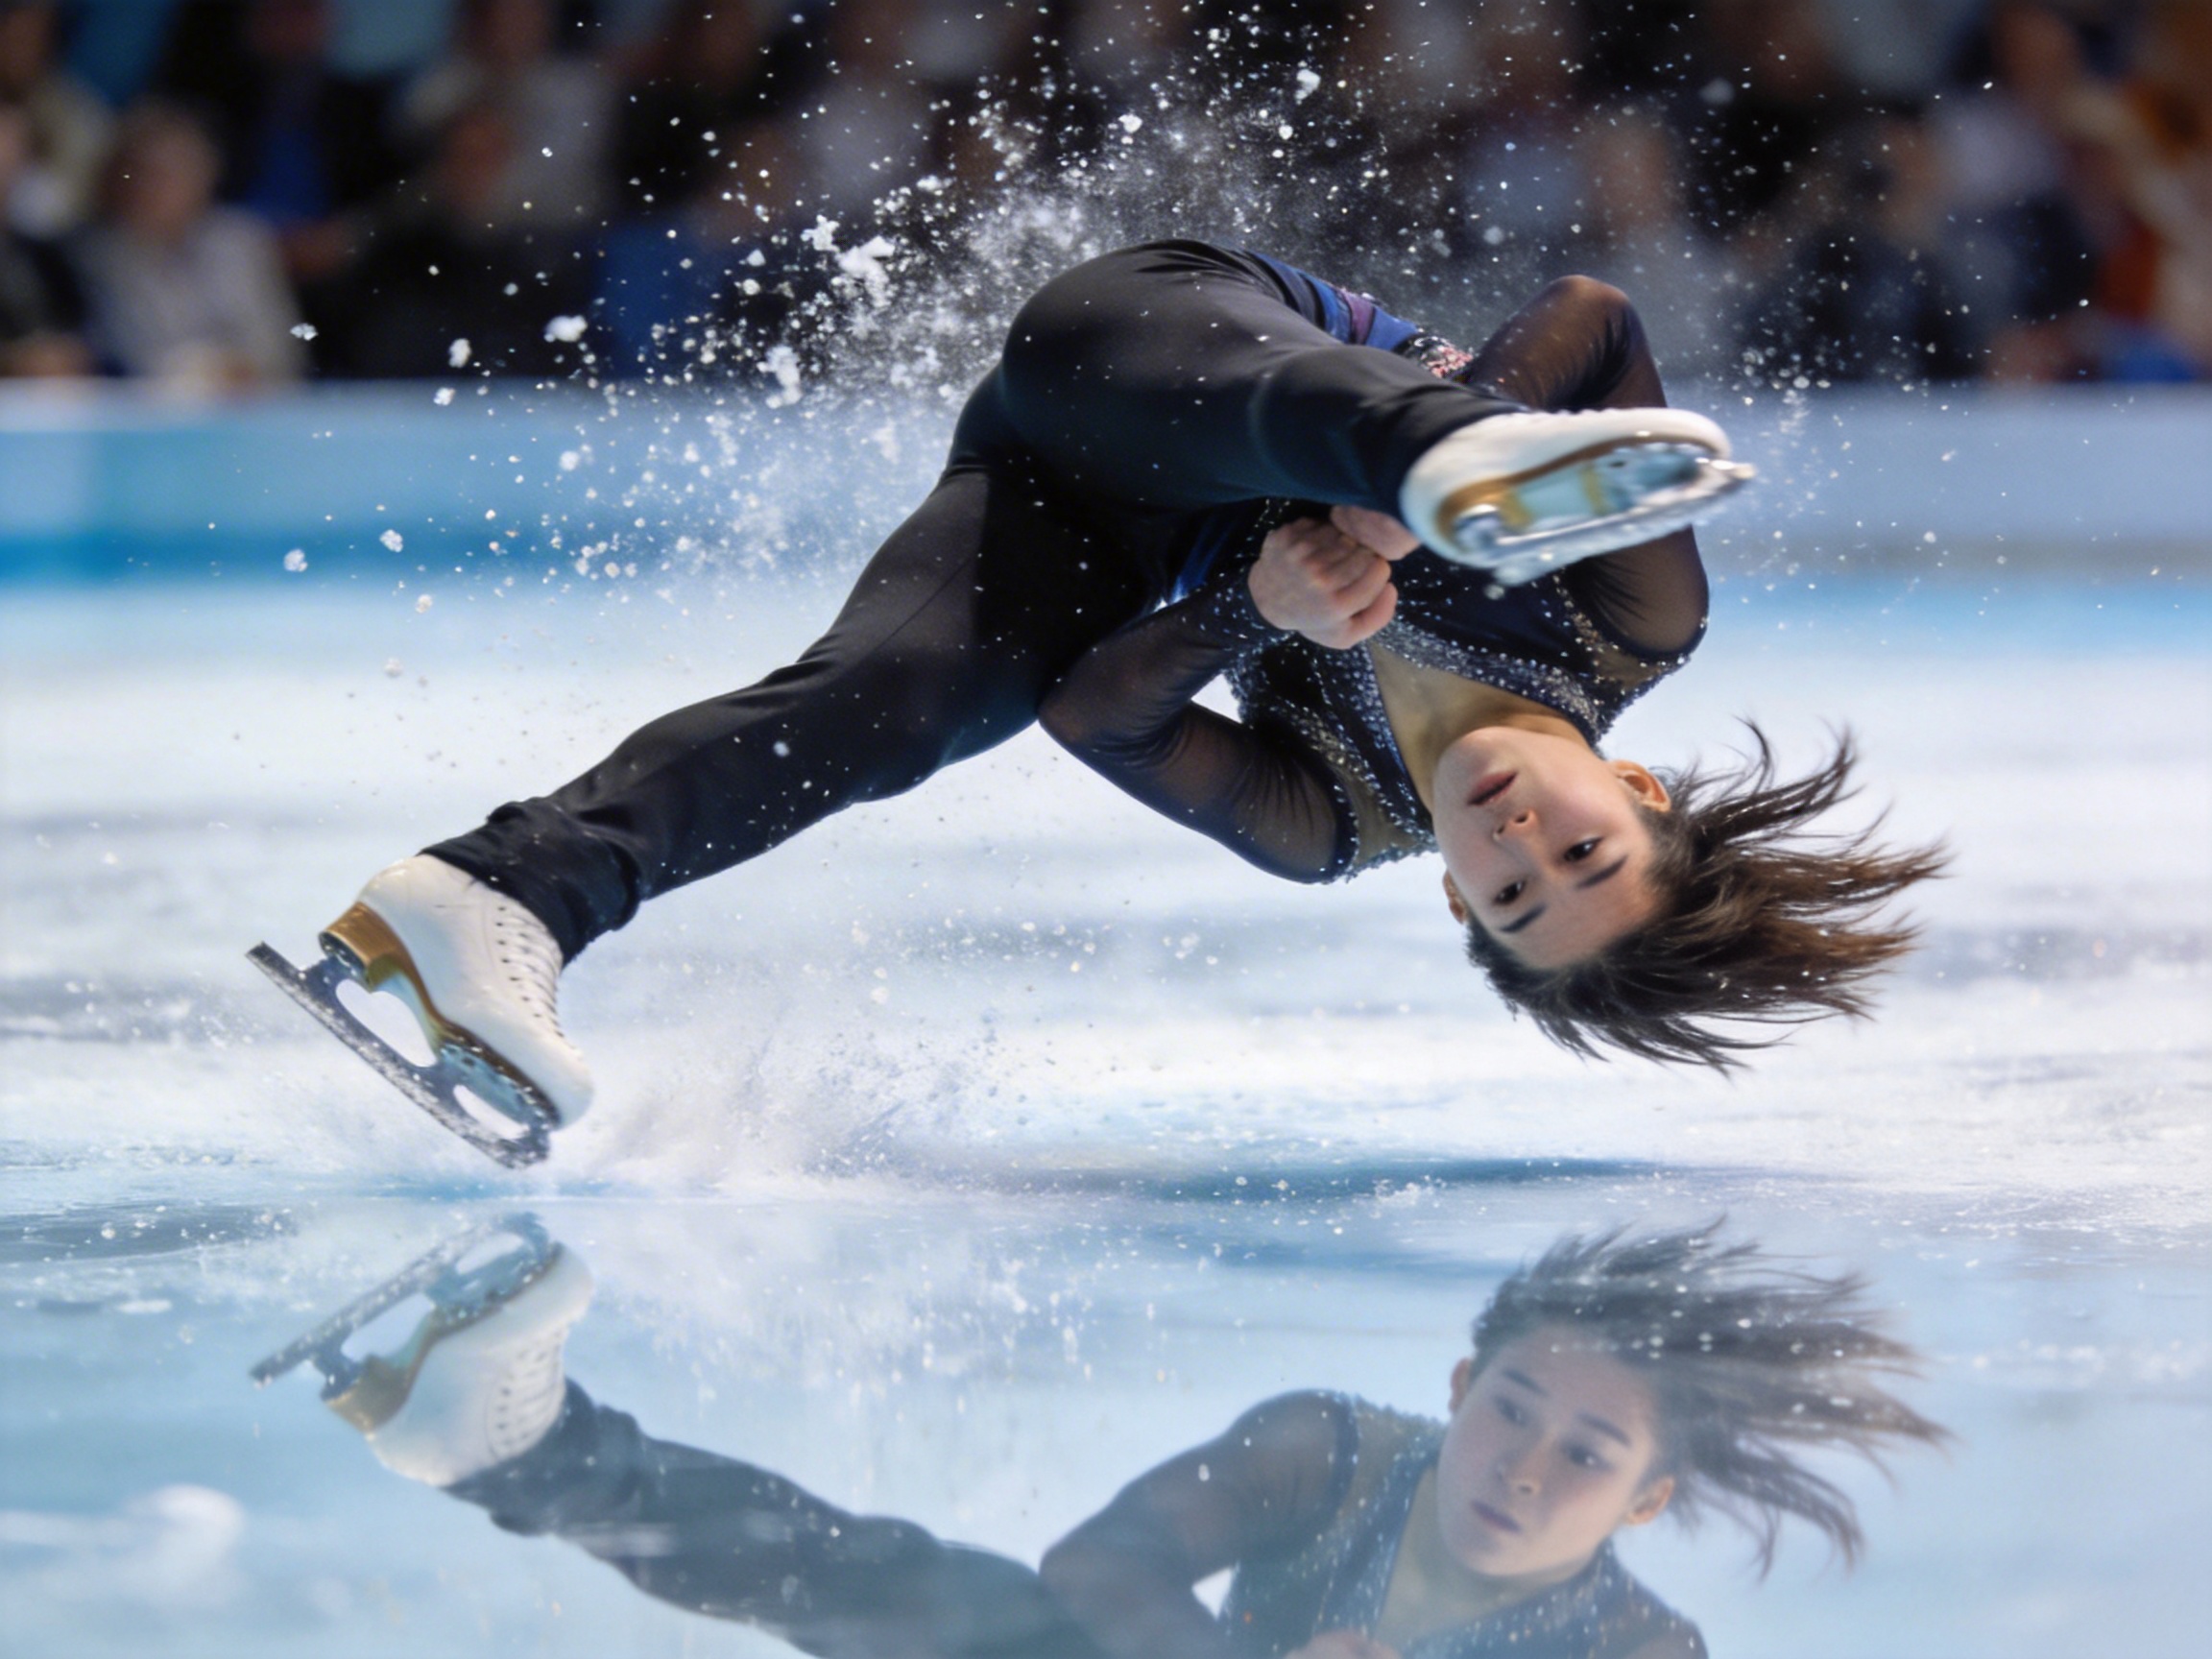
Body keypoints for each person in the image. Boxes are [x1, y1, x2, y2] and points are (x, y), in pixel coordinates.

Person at [293, 239, 1936, 1146]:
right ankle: (1444, 460)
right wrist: (1380, 513)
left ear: (1454, 896)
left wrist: (1252, 600)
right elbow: (1594, 318)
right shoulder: (1629, 627)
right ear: (1638, 791)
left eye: (1511, 895)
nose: (1524, 842)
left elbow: (1095, 716)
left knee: (891, 711)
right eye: (1583, 853)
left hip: (1073, 500)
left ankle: (498, 891)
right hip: (1169, 334)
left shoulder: (1328, 825)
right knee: (1326, 419)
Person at [307, 1221, 1942, 1659]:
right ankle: (511, 1451)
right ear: (1458, 1390)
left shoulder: (1635, 1651)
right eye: (1513, 1407)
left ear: (1647, 1501)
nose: (1523, 1462)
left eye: (1585, 1455)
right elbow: (1101, 1565)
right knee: (929, 1603)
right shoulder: (1336, 1450)